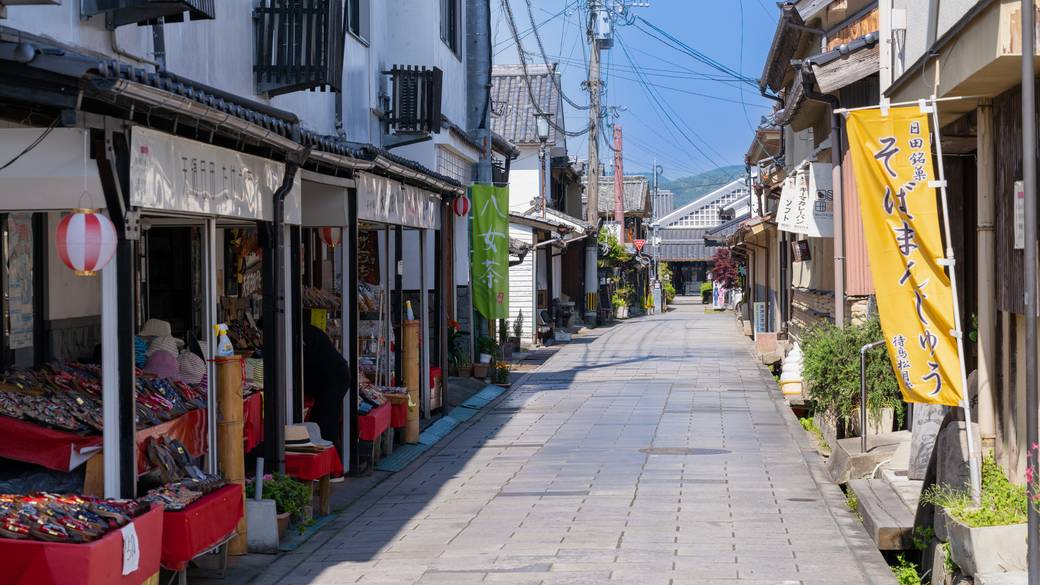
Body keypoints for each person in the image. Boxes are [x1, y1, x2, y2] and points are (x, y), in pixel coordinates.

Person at [302, 323, 349, 451]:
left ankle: (329, 457)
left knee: (324, 420)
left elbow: (304, 364)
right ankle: (333, 457)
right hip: (336, 376)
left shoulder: (301, 337)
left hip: (332, 380)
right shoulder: (309, 331)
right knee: (329, 419)